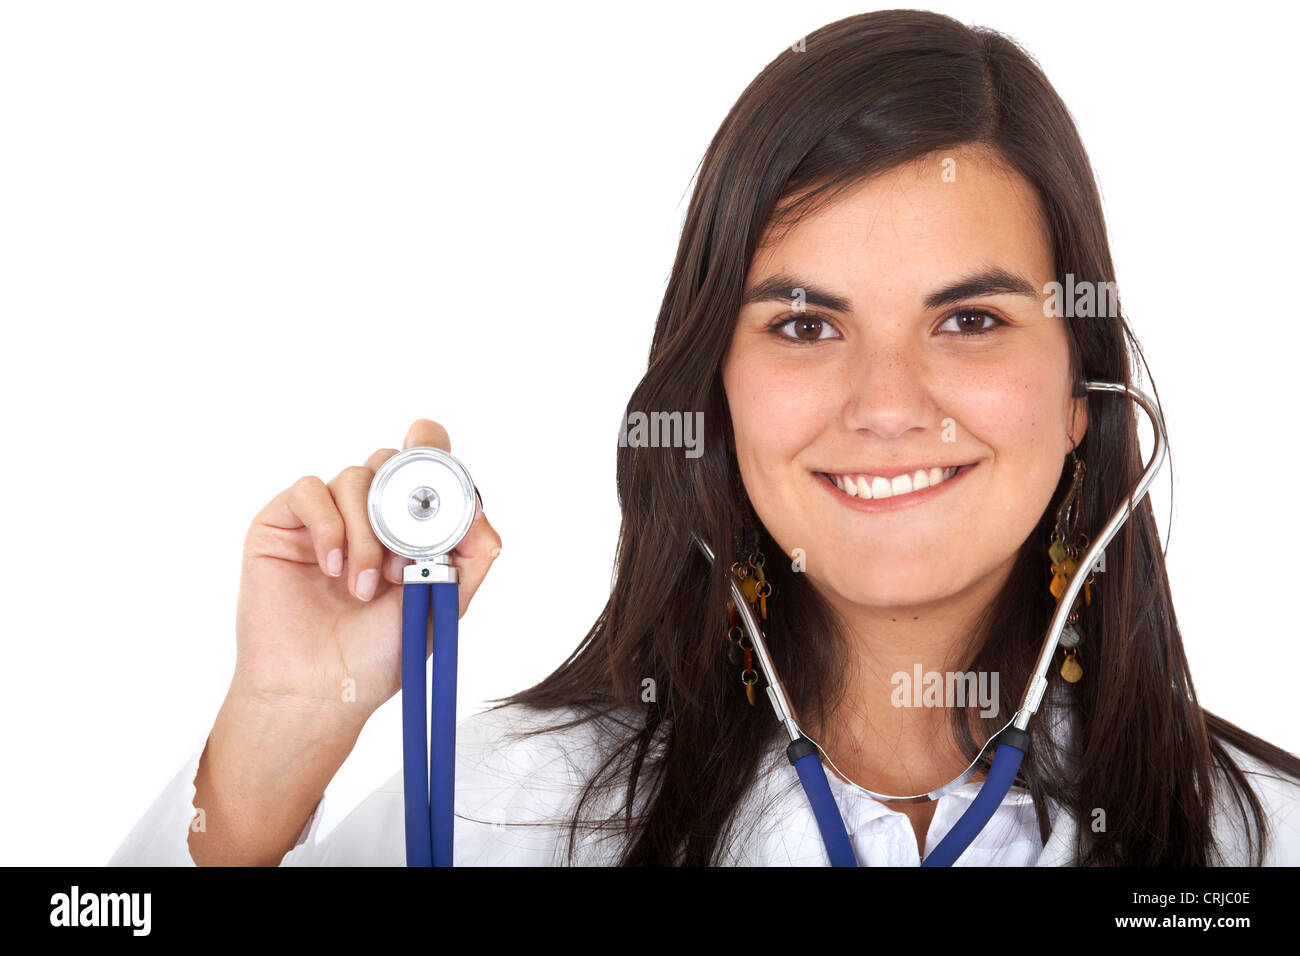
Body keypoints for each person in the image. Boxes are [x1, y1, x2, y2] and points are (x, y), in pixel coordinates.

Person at [111, 9, 1300, 867]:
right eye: (802, 322)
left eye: (972, 318)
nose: (886, 402)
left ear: (1082, 387)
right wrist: (281, 719)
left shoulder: (1259, 837)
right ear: (713, 385)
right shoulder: (494, 813)